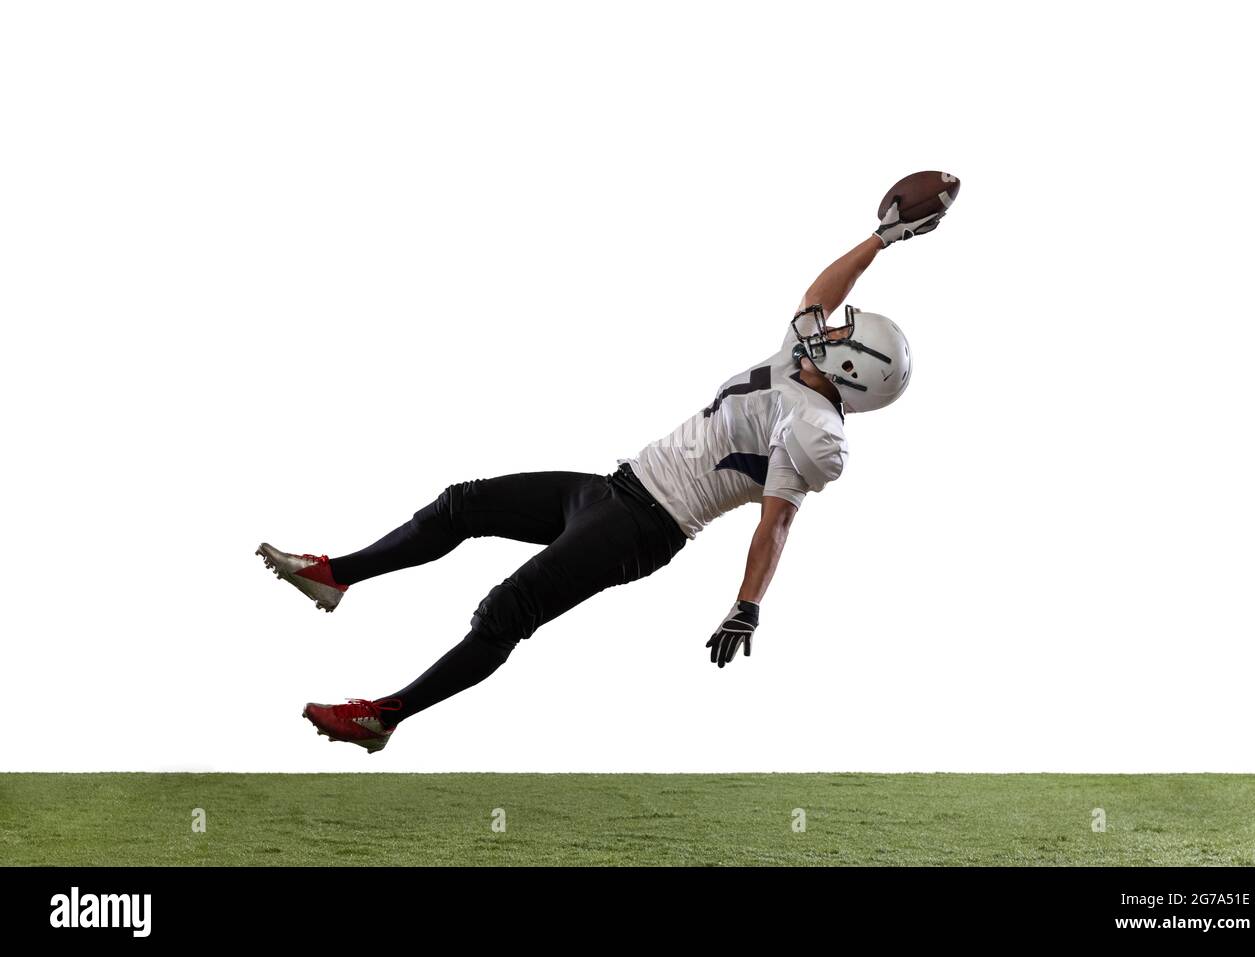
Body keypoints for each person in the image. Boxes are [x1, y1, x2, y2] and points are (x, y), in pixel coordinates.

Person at [256, 201, 943, 753]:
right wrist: (881, 238)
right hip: (615, 487)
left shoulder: (816, 434)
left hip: (647, 526)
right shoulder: (803, 355)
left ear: (851, 369)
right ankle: (334, 575)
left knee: (505, 610)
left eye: (845, 332)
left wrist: (748, 602)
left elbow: (778, 519)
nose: (832, 324)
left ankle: (385, 716)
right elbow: (820, 292)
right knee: (461, 505)